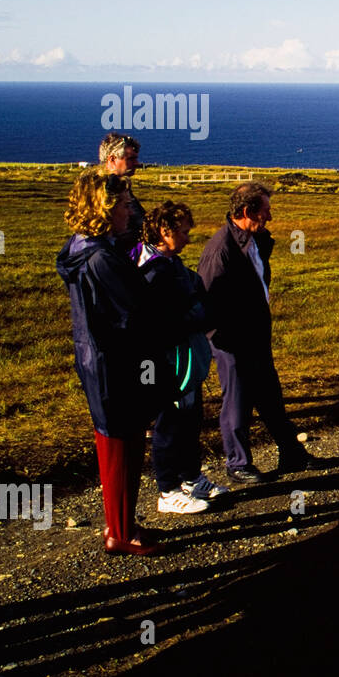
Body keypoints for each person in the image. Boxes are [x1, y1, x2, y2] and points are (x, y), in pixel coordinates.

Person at [56, 169, 167, 555]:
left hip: (96, 358)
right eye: (121, 205)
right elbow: (135, 311)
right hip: (114, 363)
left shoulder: (81, 247)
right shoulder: (101, 258)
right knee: (124, 444)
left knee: (114, 440)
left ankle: (120, 523)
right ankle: (121, 532)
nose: (128, 212)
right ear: (104, 208)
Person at [198, 183, 320, 483]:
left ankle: (290, 452)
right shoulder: (221, 249)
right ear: (246, 212)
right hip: (232, 339)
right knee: (237, 399)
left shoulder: (252, 239)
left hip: (254, 332)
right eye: (265, 211)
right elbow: (207, 300)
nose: (270, 217)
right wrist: (224, 338)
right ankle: (238, 463)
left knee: (269, 395)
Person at [134, 200, 228, 514]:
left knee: (189, 419)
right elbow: (165, 318)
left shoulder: (167, 264)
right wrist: (201, 314)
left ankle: (190, 478)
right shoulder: (155, 271)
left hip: (184, 357)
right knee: (170, 423)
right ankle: (168, 490)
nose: (189, 238)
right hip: (170, 360)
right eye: (183, 231)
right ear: (165, 231)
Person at [100, 133, 145, 253]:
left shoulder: (122, 187)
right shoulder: (103, 192)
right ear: (112, 159)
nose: (137, 163)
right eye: (131, 159)